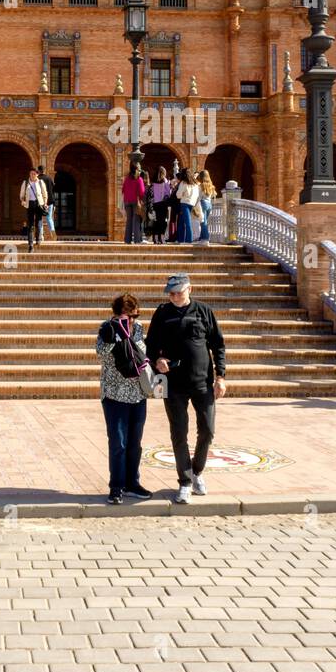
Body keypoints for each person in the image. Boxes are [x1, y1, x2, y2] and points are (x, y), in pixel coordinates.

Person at [146, 271, 226, 504]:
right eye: (170, 293)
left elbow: (218, 345)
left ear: (190, 289)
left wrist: (220, 376)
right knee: (179, 433)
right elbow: (150, 346)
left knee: (208, 430)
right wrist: (157, 360)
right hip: (173, 384)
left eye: (178, 292)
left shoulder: (203, 312)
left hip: (202, 383)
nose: (173, 297)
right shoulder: (162, 313)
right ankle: (185, 482)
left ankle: (197, 471)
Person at [95, 292, 153, 505]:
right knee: (118, 442)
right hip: (114, 394)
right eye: (128, 316)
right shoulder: (107, 328)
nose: (132, 320)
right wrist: (116, 334)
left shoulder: (138, 329)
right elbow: (101, 353)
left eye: (134, 315)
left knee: (134, 443)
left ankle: (132, 483)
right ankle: (116, 487)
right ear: (117, 314)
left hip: (137, 394)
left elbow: (144, 353)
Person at [20, 167, 48, 252]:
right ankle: (30, 244)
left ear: (37, 174)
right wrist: (22, 201)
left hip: (39, 204)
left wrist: (45, 203)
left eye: (34, 174)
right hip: (30, 204)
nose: (32, 175)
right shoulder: (25, 182)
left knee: (38, 222)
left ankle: (38, 238)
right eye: (31, 173)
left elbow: (44, 193)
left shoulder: (40, 182)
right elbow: (21, 194)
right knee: (30, 224)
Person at [122, 163, 146, 245]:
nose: (140, 170)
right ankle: (137, 240)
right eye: (139, 169)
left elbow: (123, 190)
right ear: (136, 169)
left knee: (129, 221)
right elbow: (142, 192)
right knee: (136, 221)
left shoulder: (127, 179)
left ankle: (127, 240)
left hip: (127, 201)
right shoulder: (139, 179)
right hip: (136, 202)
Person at [174, 168, 201, 243]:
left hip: (184, 204)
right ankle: (181, 240)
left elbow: (178, 195)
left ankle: (188, 240)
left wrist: (183, 195)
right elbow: (197, 195)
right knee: (182, 222)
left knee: (187, 223)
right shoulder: (195, 184)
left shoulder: (183, 183)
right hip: (192, 204)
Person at [149, 167, 171, 245]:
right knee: (162, 222)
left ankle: (155, 238)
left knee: (156, 221)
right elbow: (168, 193)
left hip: (155, 204)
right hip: (163, 204)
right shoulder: (165, 181)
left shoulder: (153, 182)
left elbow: (151, 194)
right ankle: (161, 238)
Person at [37, 163, 57, 242]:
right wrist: (54, 203)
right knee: (49, 217)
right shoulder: (49, 178)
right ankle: (53, 232)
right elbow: (53, 191)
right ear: (44, 170)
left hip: (41, 201)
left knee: (40, 218)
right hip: (50, 201)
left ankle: (41, 236)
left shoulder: (37, 179)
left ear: (38, 171)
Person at [196, 170, 216, 243]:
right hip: (209, 204)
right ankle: (201, 237)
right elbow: (214, 195)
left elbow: (198, 196)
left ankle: (205, 238)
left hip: (203, 203)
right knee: (205, 221)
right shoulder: (211, 185)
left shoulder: (200, 185)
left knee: (203, 222)